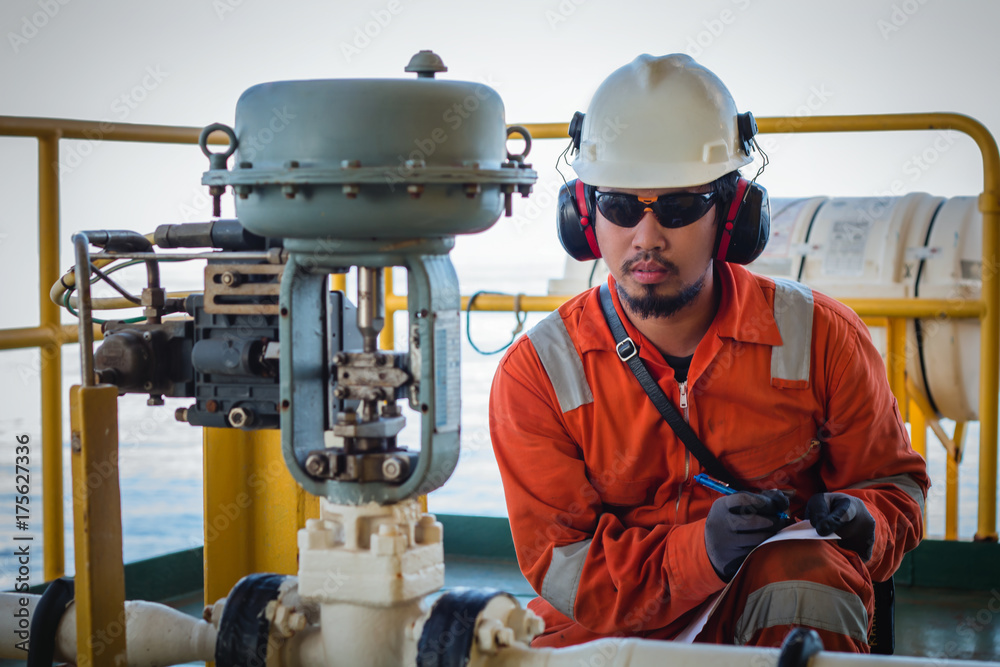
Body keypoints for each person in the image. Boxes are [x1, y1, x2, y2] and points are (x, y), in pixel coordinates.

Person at [489, 54, 928, 653]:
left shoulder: (824, 336)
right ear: (585, 216)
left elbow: (893, 484)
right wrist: (701, 552)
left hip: (773, 612)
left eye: (677, 207)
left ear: (731, 215)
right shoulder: (537, 373)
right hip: (606, 629)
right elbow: (565, 565)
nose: (645, 237)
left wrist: (865, 520)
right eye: (619, 206)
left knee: (811, 583)